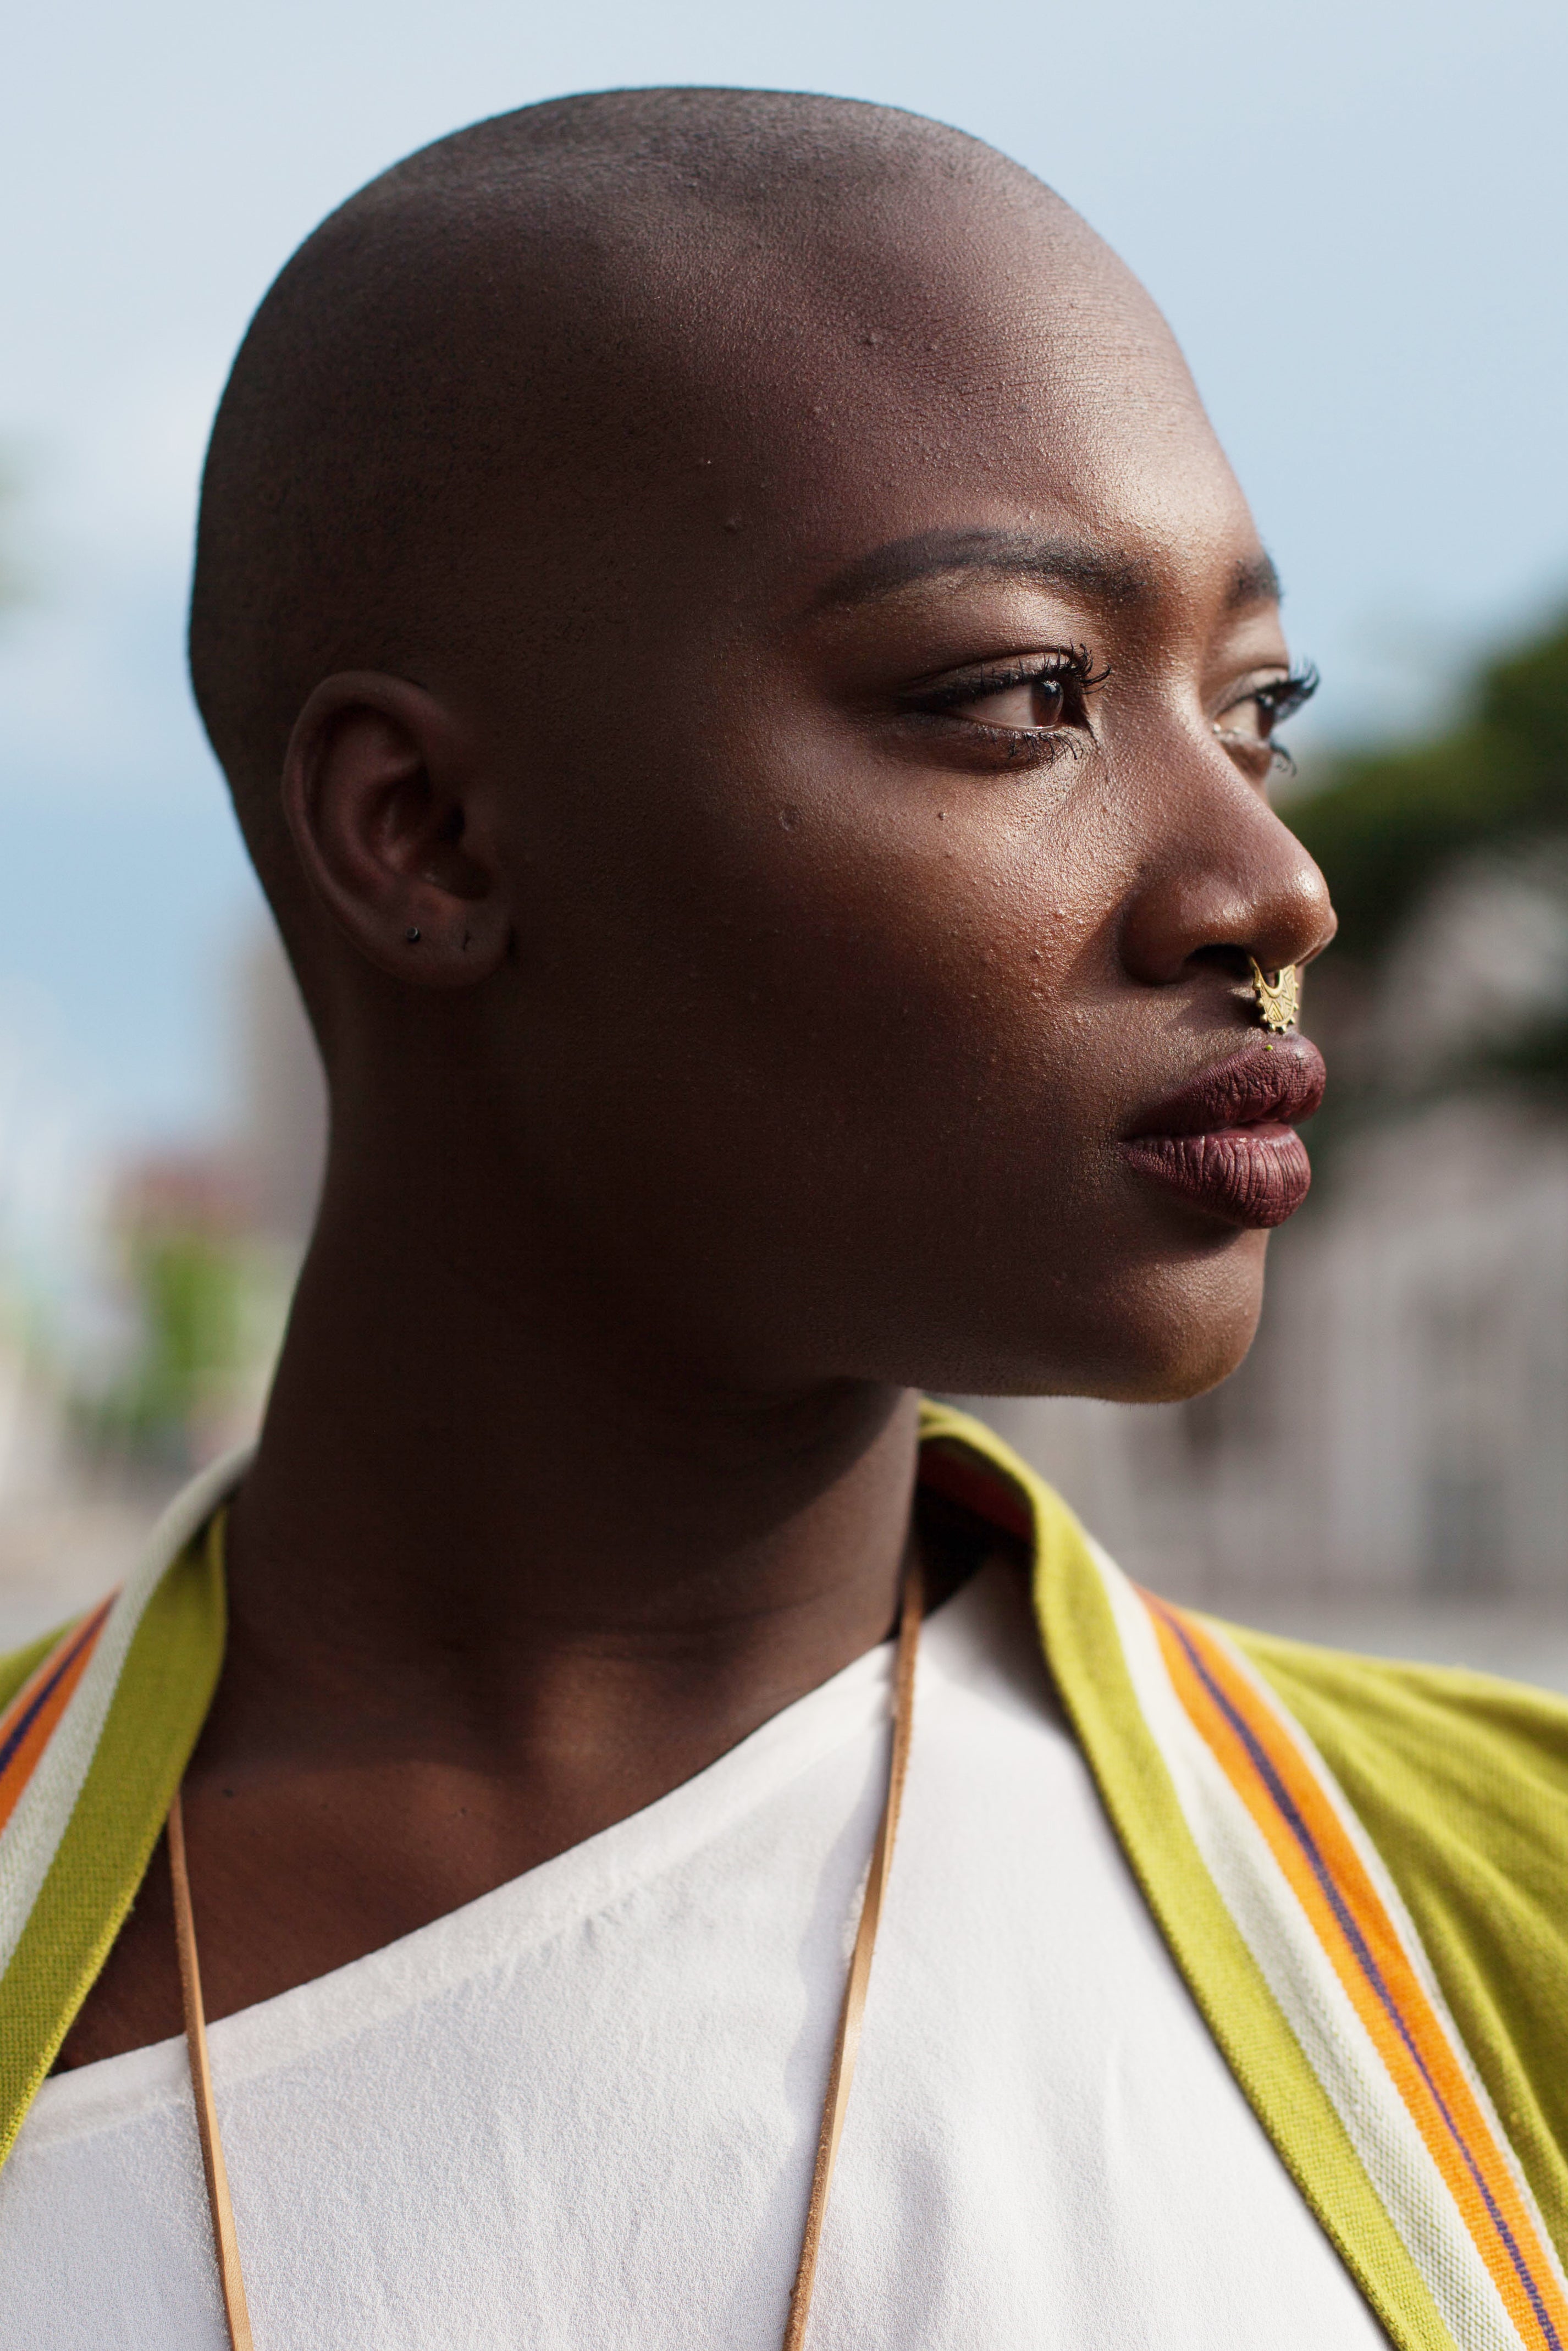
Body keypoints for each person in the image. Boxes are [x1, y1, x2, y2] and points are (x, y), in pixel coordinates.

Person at [0, 85, 1564, 2351]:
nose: (1264, 883)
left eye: (1258, 712)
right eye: (1021, 693)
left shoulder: (1492, 1929)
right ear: (421, 832)